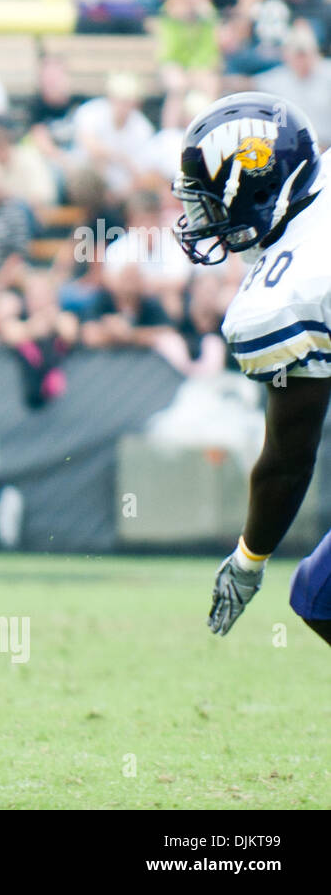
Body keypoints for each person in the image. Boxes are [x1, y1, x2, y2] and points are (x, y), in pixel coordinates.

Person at [171, 91, 331, 647]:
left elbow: (289, 458)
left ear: (257, 185)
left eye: (210, 203)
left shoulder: (286, 291)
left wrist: (250, 556)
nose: (202, 221)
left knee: (321, 594)